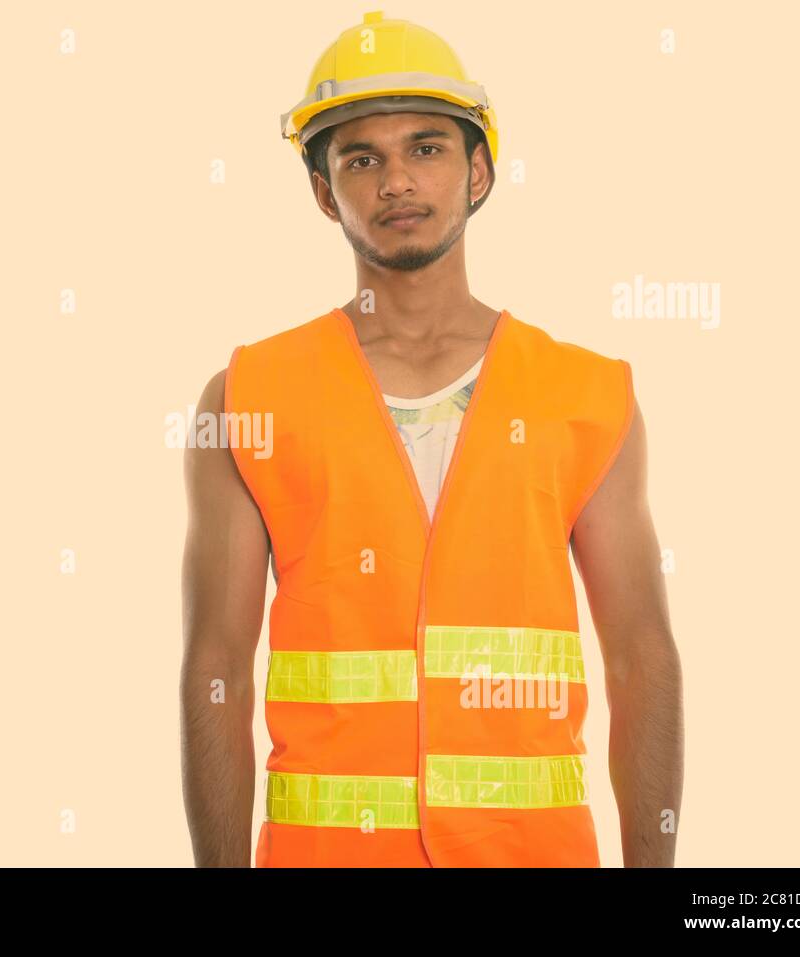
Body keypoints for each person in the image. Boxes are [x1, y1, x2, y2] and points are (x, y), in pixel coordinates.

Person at [181, 10, 682, 868]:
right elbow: (215, 666)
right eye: (360, 158)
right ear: (323, 190)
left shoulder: (587, 395)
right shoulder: (247, 397)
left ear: (479, 171)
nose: (396, 181)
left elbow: (640, 657)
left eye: (426, 148)